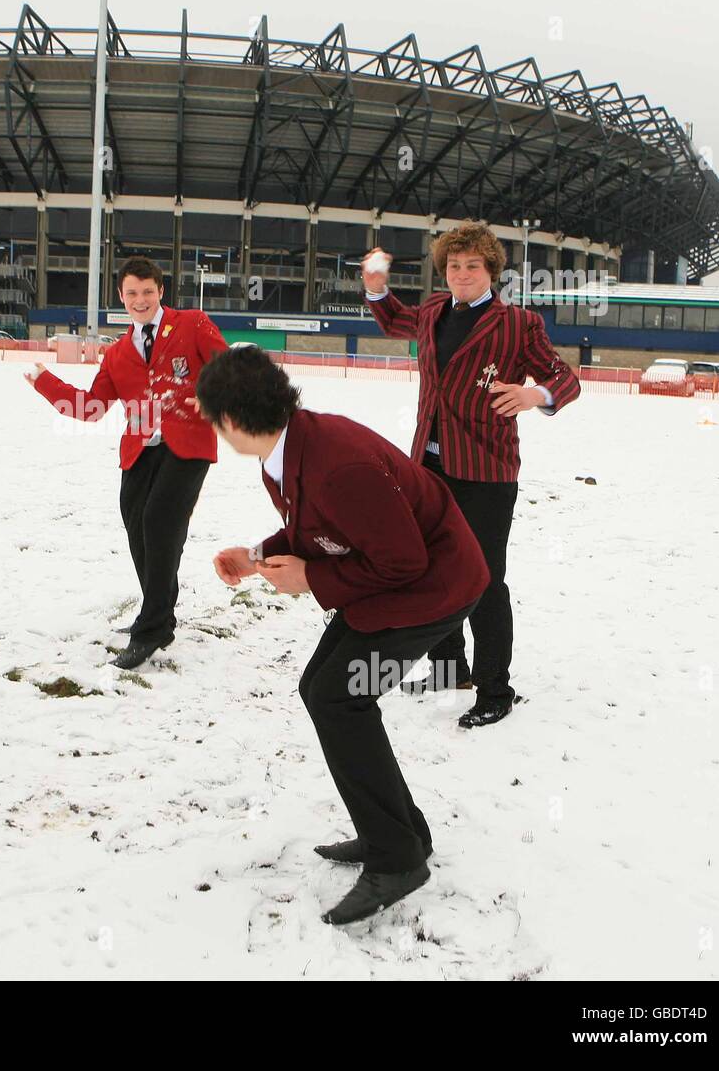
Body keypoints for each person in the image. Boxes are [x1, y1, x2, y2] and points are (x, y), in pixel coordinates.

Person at [196, 345, 489, 925]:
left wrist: (311, 578)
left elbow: (402, 560)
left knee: (340, 698)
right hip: (396, 580)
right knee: (325, 691)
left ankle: (397, 858)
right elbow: (319, 525)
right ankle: (401, 833)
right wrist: (258, 555)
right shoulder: (291, 445)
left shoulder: (338, 464)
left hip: (435, 589)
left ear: (230, 420)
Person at [362, 221, 580, 727]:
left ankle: (495, 688)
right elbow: (394, 319)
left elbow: (564, 377)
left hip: (486, 470)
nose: (462, 274)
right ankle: (449, 670)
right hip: (429, 465)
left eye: (472, 266)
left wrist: (534, 394)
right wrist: (375, 288)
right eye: (454, 265)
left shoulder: (518, 324)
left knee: (483, 580)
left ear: (491, 271)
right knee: (434, 570)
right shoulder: (434, 311)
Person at [25, 257, 227, 669]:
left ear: (161, 292)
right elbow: (92, 407)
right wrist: (45, 382)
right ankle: (160, 613)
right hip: (139, 449)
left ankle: (151, 629)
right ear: (121, 296)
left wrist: (213, 398)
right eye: (132, 293)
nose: (140, 300)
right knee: (137, 526)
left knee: (159, 521)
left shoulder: (192, 324)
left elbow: (229, 370)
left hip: (187, 444)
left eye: (148, 292)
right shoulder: (117, 353)